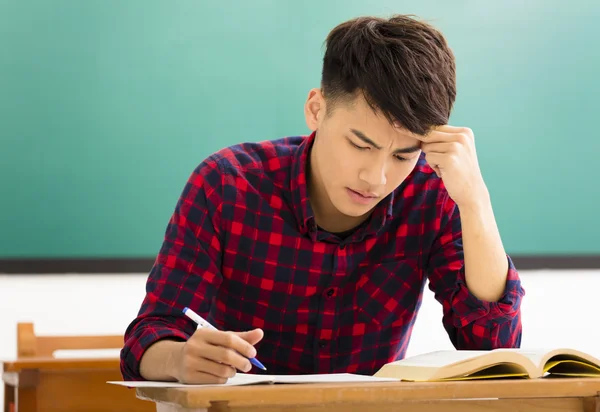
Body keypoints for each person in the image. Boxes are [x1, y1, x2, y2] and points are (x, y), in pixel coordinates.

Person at [120, 14, 525, 383]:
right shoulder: (226, 185)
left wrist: (475, 201)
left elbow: (493, 348)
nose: (376, 177)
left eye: (404, 154)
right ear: (316, 110)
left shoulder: (433, 195)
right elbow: (150, 335)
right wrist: (179, 359)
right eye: (359, 144)